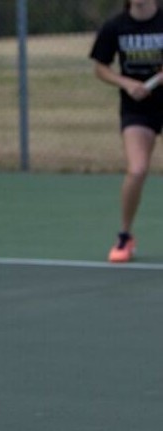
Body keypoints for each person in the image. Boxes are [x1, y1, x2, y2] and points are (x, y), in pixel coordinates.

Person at [90, 0, 163, 262]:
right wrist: (127, 83)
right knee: (137, 169)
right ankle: (125, 235)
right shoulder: (116, 26)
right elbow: (100, 67)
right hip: (137, 109)